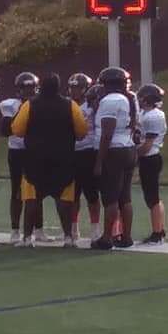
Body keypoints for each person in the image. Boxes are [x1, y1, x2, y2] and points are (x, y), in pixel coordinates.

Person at [11, 73, 88, 248]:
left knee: (32, 199)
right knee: (64, 200)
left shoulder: (29, 105)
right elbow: (82, 132)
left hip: (35, 159)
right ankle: (69, 238)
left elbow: (17, 130)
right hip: (63, 158)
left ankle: (27, 239)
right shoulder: (71, 105)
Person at [91, 67, 138, 251]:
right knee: (124, 197)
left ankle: (107, 237)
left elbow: (107, 133)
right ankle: (126, 236)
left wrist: (99, 161)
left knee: (110, 197)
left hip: (114, 151)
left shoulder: (110, 100)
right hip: (128, 148)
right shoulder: (128, 98)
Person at [0, 72, 40, 245]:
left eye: (31, 88)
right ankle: (15, 230)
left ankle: (38, 230)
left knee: (37, 191)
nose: (29, 92)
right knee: (17, 190)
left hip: (35, 151)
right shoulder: (10, 105)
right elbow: (6, 130)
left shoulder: (39, 104)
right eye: (25, 88)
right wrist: (23, 109)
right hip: (17, 151)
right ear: (19, 89)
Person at [67, 73, 102, 242]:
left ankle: (95, 228)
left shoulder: (93, 106)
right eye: (73, 88)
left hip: (88, 151)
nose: (75, 91)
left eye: (79, 88)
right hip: (72, 152)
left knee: (91, 194)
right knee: (73, 194)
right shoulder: (67, 105)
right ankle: (73, 228)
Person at [137, 83, 168, 245]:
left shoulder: (153, 116)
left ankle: (157, 233)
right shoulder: (148, 113)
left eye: (142, 97)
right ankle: (160, 230)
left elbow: (148, 145)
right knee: (151, 197)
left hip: (150, 158)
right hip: (150, 158)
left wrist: (132, 154)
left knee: (152, 198)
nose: (140, 99)